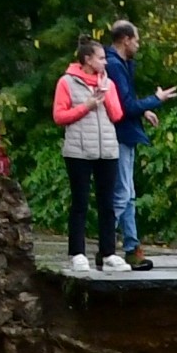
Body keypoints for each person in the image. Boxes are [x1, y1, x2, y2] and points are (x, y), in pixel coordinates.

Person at [103, 19, 173, 273]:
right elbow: (125, 107)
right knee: (122, 194)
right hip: (119, 135)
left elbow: (126, 101)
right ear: (126, 40)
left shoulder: (122, 64)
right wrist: (156, 99)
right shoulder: (114, 65)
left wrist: (144, 112)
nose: (138, 45)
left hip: (126, 134)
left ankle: (132, 248)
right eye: (137, 40)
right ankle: (107, 246)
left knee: (128, 194)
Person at [50, 38, 124, 271]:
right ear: (87, 60)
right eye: (101, 58)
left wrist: (105, 93)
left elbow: (117, 115)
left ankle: (108, 252)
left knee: (107, 203)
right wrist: (87, 106)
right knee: (80, 202)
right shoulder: (67, 82)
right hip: (78, 151)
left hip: (107, 150)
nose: (105, 62)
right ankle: (77, 252)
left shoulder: (108, 82)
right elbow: (59, 116)